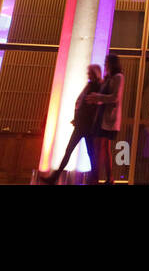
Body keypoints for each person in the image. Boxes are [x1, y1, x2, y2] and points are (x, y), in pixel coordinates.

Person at [48, 64, 103, 183]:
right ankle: (95, 178)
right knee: (89, 153)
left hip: (84, 124)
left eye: (89, 72)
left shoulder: (94, 87)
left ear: (94, 74)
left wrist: (77, 117)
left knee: (73, 151)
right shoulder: (94, 86)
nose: (88, 74)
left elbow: (85, 104)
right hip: (84, 124)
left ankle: (54, 177)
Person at [83, 53, 124, 185]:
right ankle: (107, 177)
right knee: (103, 148)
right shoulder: (108, 78)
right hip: (102, 116)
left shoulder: (119, 77)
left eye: (107, 62)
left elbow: (115, 97)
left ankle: (96, 176)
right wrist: (96, 99)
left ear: (112, 63)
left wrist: (98, 97)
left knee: (99, 147)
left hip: (109, 118)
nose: (105, 64)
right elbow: (105, 96)